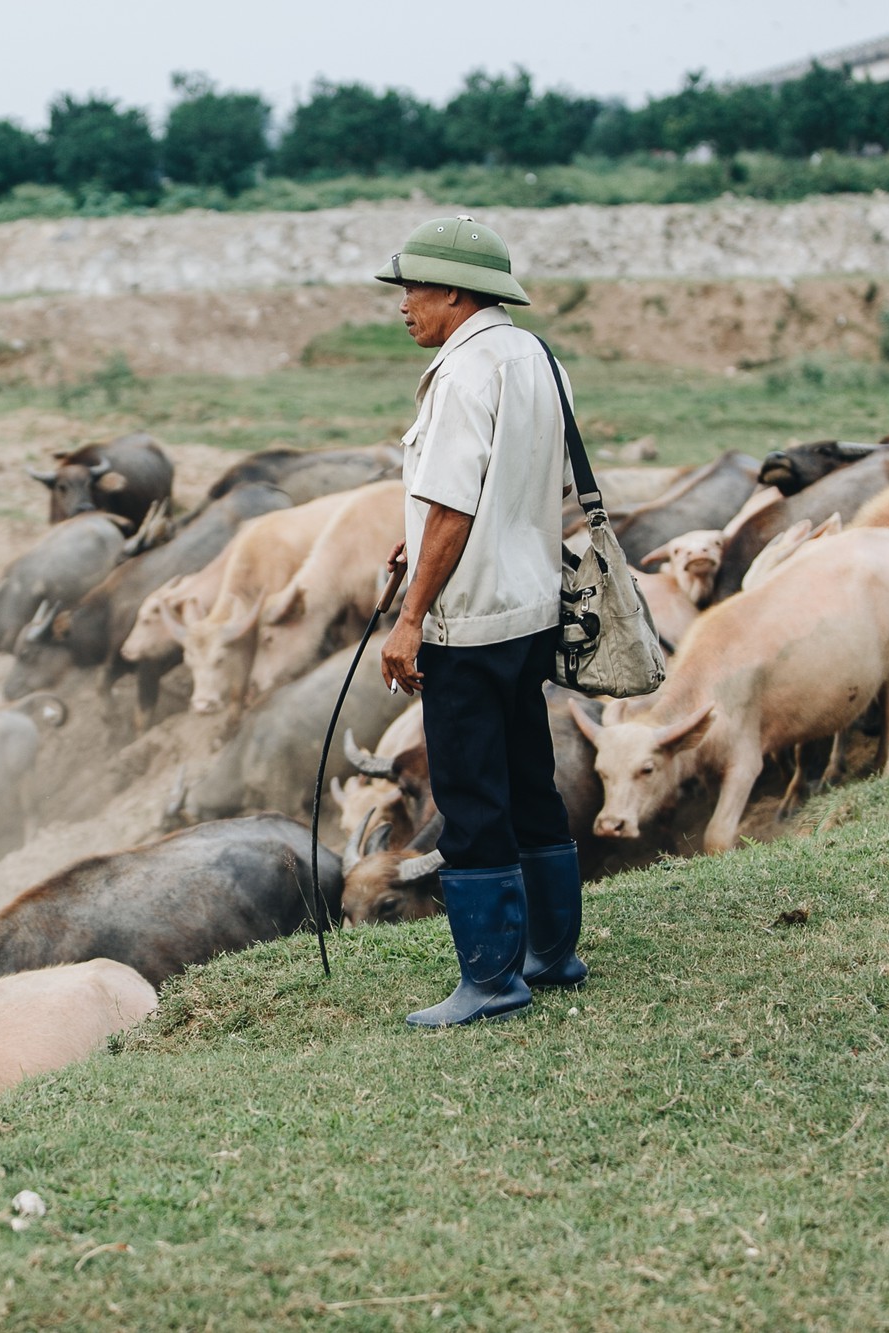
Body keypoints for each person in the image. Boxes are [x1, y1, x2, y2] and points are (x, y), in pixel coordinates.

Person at [373, 216, 585, 1028]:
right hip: (529, 606)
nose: (403, 305)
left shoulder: (459, 374)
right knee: (531, 775)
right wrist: (420, 529)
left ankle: (491, 980)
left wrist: (410, 614)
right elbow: (528, 480)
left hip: (466, 619)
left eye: (413, 288)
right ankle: (553, 952)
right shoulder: (534, 355)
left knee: (469, 794)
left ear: (456, 291)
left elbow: (459, 504)